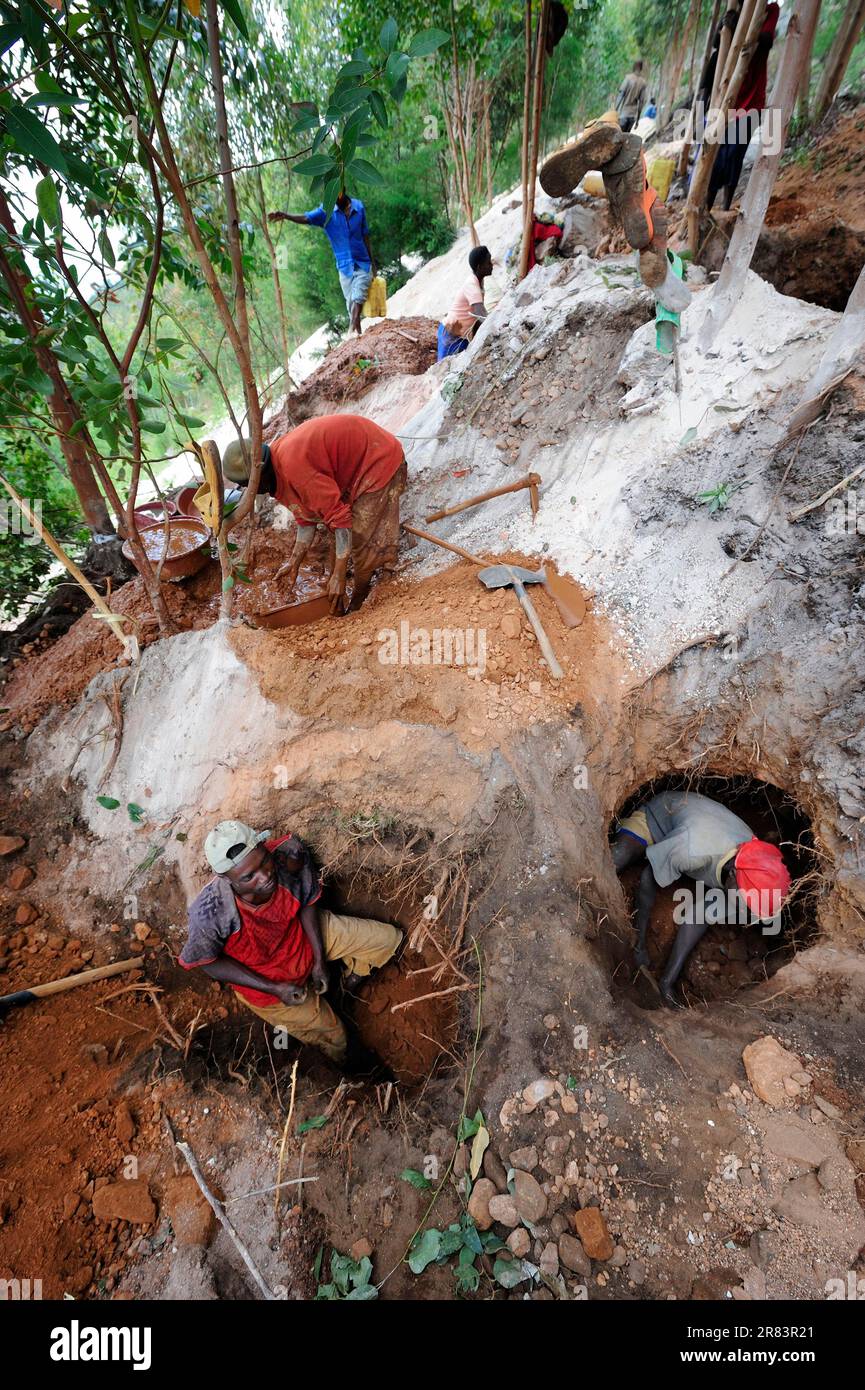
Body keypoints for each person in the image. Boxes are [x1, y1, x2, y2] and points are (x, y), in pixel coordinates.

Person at [179, 820, 401, 1066]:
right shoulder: (209, 914)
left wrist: (318, 961)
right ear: (226, 879)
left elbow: (306, 901)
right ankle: (345, 1073)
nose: (265, 877)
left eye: (264, 860)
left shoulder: (289, 857)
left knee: (386, 940)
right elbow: (209, 963)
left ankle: (346, 988)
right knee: (336, 1038)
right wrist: (275, 989)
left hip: (301, 937)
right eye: (249, 876)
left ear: (264, 846)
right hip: (268, 985)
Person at [611, 789, 792, 1008]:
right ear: (733, 877)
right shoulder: (691, 851)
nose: (745, 912)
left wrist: (667, 982)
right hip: (659, 816)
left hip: (700, 823)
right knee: (617, 858)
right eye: (746, 904)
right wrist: (639, 943)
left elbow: (699, 916)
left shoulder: (750, 864)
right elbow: (648, 878)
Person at [222, 414, 406, 613]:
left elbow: (340, 519)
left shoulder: (295, 470)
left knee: (361, 537)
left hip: (377, 458)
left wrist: (339, 576)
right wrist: (294, 562)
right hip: (355, 460)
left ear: (258, 477)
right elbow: (306, 518)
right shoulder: (276, 469)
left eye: (246, 486)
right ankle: (347, 584)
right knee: (340, 543)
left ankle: (362, 596)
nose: (247, 492)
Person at [540, 116, 690, 313]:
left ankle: (596, 131)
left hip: (644, 206)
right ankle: (602, 131)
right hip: (646, 200)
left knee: (650, 218)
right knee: (652, 215)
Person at [269, 190, 375, 336]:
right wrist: (286, 216)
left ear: (342, 191)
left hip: (362, 262)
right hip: (344, 267)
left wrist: (372, 265)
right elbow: (306, 217)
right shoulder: (326, 211)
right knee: (351, 305)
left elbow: (365, 236)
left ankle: (351, 331)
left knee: (359, 296)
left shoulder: (359, 207)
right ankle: (357, 337)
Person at [706, 2, 780, 211]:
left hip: (752, 99)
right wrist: (725, 25)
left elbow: (766, 40)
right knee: (718, 154)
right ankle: (707, 209)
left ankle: (726, 208)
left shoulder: (769, 10)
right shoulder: (733, 11)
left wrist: (743, 26)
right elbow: (717, 44)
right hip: (727, 97)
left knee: (735, 153)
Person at [437, 244, 494, 360]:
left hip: (460, 336)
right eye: (488, 263)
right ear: (479, 267)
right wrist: (496, 330)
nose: (492, 265)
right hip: (450, 335)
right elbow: (480, 314)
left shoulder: (478, 283)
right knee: (445, 372)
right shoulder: (472, 285)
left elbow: (477, 319)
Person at [616, 60, 648, 133]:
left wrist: (614, 111)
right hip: (632, 117)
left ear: (634, 67)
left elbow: (621, 95)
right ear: (641, 68)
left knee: (618, 137)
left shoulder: (628, 78)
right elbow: (641, 103)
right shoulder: (642, 82)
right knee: (626, 139)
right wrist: (637, 120)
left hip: (624, 114)